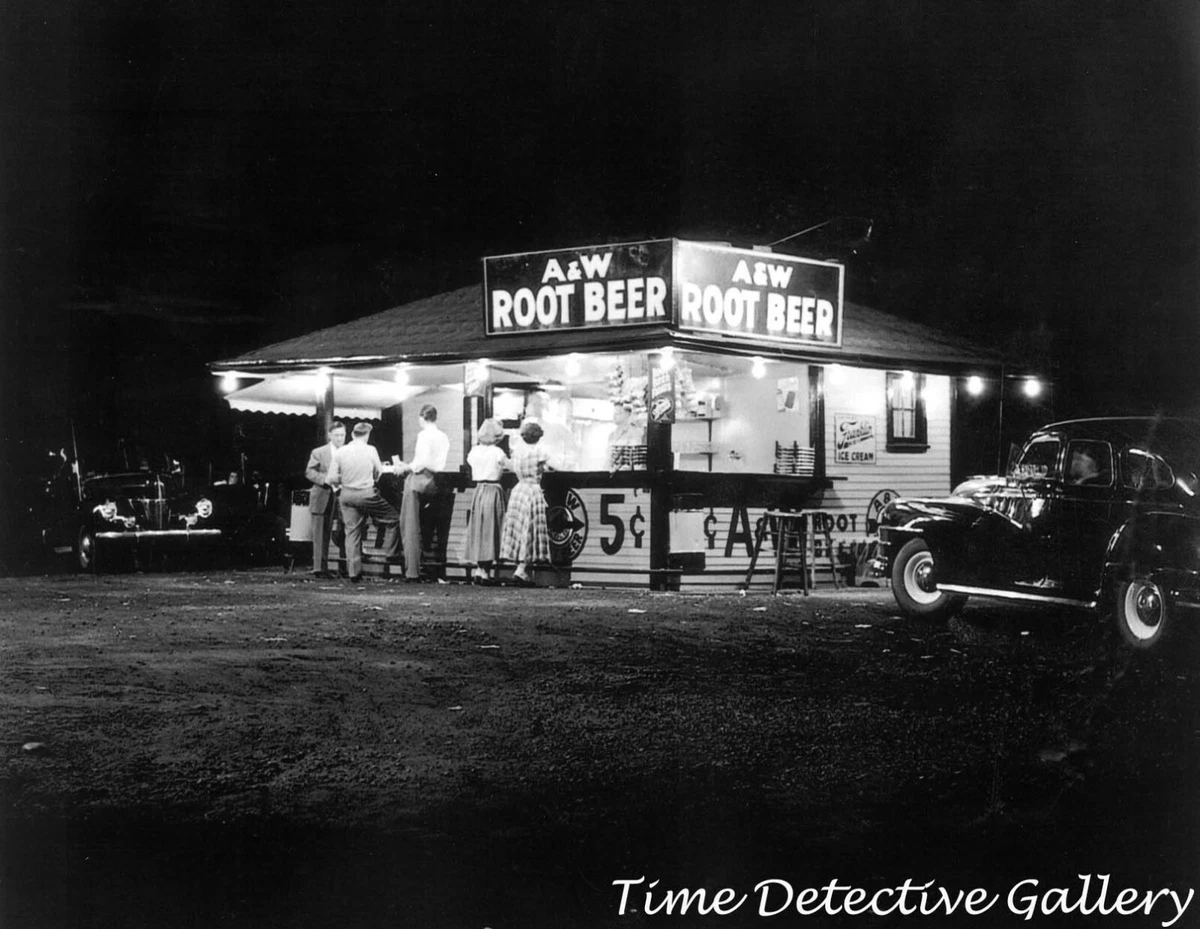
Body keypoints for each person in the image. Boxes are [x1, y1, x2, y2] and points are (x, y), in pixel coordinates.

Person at [326, 421, 401, 583]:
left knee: (352, 532)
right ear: (367, 436)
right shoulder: (370, 449)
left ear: (352, 435)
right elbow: (378, 472)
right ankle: (390, 553)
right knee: (393, 518)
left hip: (346, 495)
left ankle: (354, 573)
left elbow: (330, 478)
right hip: (366, 494)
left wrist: (345, 478)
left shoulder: (341, 452)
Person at [394, 404, 450, 583]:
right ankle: (421, 568)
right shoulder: (443, 436)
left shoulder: (424, 435)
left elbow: (421, 461)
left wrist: (406, 467)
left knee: (409, 526)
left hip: (418, 479)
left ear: (421, 418)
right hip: (435, 481)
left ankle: (412, 571)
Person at [500, 420, 555, 586]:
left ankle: (520, 567)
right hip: (532, 490)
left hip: (519, 490)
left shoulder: (517, 451)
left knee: (519, 528)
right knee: (530, 529)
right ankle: (522, 569)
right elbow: (553, 466)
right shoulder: (539, 451)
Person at [461, 418, 510, 585]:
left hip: (479, 490)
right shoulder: (497, 452)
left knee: (479, 530)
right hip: (493, 490)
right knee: (491, 530)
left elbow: (470, 463)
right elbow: (510, 466)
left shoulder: (474, 452)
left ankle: (479, 569)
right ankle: (486, 571)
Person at [304, 420, 346, 578]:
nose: (340, 438)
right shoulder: (319, 452)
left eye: (342, 435)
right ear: (329, 435)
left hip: (343, 495)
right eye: (336, 435)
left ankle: (345, 568)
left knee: (344, 532)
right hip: (323, 494)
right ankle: (320, 569)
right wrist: (325, 479)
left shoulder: (349, 451)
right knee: (320, 534)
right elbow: (309, 472)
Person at [608, 400, 645, 471]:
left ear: (628, 414)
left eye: (618, 413)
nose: (614, 416)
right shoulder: (611, 435)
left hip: (625, 477)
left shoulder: (634, 433)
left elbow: (637, 464)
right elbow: (608, 459)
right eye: (614, 413)